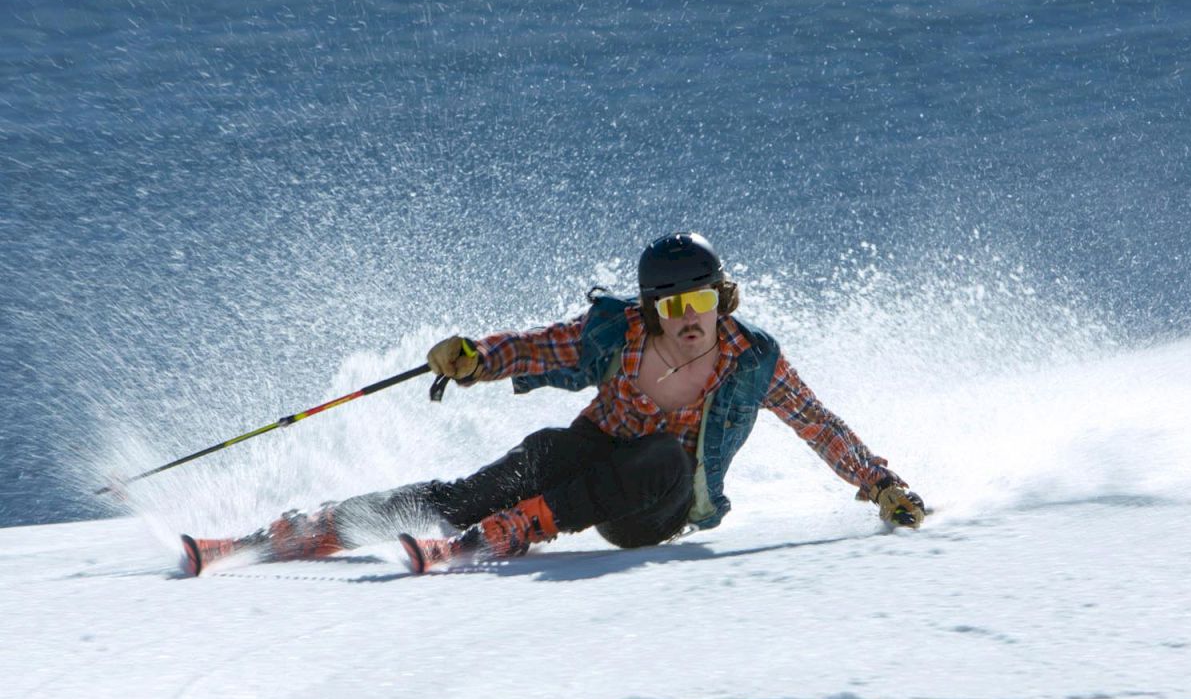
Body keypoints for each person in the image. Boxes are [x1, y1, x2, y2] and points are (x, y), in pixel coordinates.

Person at [181, 232, 925, 576]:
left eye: (702, 299)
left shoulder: (750, 356)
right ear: (651, 308)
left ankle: (503, 536)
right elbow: (541, 348)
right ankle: (291, 536)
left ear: (722, 297)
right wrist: (472, 359)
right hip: (592, 459)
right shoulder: (622, 332)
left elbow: (819, 425)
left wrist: (882, 485)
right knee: (509, 468)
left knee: (661, 454)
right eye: (673, 304)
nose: (690, 316)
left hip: (657, 507)